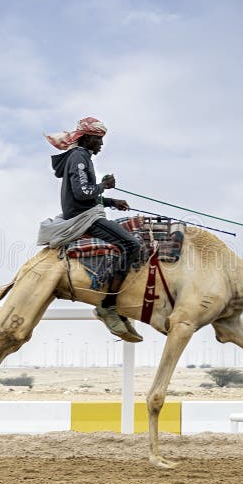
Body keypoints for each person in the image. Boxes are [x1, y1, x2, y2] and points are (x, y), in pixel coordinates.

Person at [45, 117, 143, 342]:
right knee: (132, 245)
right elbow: (82, 193)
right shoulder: (79, 157)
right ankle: (108, 307)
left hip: (85, 213)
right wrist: (104, 186)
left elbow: (85, 194)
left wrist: (110, 201)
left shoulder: (81, 156)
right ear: (87, 138)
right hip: (84, 219)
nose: (101, 144)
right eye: (98, 140)